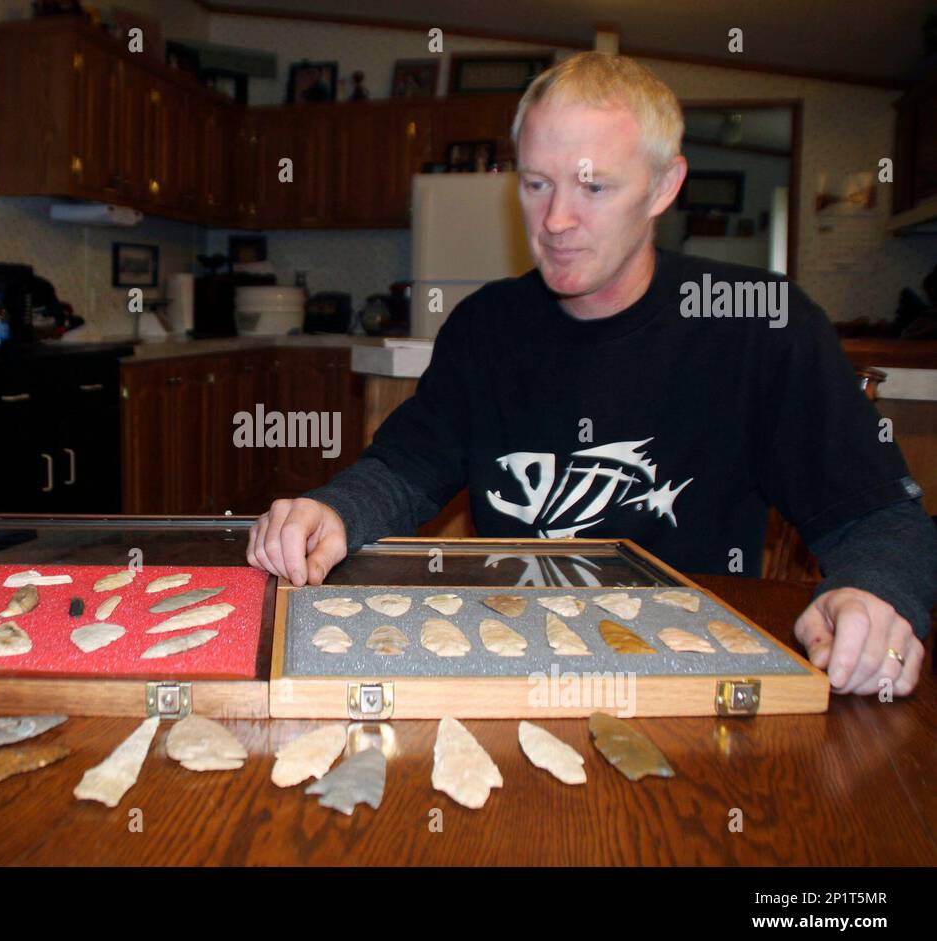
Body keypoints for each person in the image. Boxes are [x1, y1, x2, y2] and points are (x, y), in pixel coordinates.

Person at [247, 52, 937, 697]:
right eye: (536, 183)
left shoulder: (762, 325)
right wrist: (334, 510)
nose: (556, 220)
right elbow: (403, 470)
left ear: (665, 186)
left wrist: (873, 591)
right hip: (512, 661)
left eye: (594, 186)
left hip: (689, 679)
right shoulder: (487, 326)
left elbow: (882, 516)